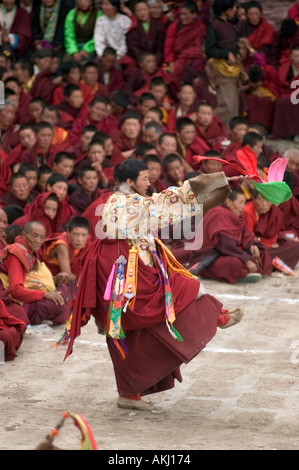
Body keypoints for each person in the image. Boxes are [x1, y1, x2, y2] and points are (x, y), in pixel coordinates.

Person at [63, 159, 243, 411]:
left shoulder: (119, 200)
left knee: (135, 331)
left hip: (124, 265)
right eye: (145, 179)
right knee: (179, 289)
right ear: (129, 182)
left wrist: (220, 183)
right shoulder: (128, 203)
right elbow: (165, 203)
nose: (149, 184)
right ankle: (217, 316)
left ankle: (130, 393)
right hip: (121, 274)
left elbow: (160, 202)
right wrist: (214, 183)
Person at [189, 189, 273, 283]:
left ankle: (247, 271)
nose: (242, 207)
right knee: (234, 263)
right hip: (210, 256)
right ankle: (243, 273)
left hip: (232, 252)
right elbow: (224, 245)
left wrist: (251, 245)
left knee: (262, 253)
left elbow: (245, 234)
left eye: (244, 203)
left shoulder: (238, 216)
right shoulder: (219, 213)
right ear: (229, 202)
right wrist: (246, 259)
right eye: (240, 203)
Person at [0, 221, 69, 326]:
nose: (38, 241)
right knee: (59, 305)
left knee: (65, 287)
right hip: (12, 301)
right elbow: (16, 291)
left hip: (28, 291)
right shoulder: (16, 253)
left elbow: (32, 277)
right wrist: (45, 295)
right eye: (34, 236)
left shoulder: (29, 253)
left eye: (42, 237)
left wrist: (55, 279)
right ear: (24, 235)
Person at [205, 0, 241, 128]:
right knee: (227, 105)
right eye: (233, 7)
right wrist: (226, 54)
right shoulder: (214, 25)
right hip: (221, 70)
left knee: (234, 107)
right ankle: (205, 120)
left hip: (232, 70)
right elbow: (209, 49)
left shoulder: (228, 24)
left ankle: (226, 135)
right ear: (224, 9)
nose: (235, 9)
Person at [243, 190, 299, 270]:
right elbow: (249, 239)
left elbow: (274, 234)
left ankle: (269, 263)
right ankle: (263, 263)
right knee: (258, 254)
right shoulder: (248, 211)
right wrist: (268, 245)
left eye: (268, 200)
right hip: (255, 248)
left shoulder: (273, 212)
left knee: (295, 246)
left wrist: (273, 243)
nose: (264, 204)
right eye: (261, 199)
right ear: (254, 199)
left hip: (268, 245)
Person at [163, 0, 206, 89]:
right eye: (181, 14)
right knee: (167, 74)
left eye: (186, 15)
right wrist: (170, 62)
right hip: (176, 58)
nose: (182, 17)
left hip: (195, 59)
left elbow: (200, 46)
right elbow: (168, 45)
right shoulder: (175, 25)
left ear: (194, 15)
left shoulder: (201, 27)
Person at [39, 216, 91, 281]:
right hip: (50, 279)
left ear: (88, 234)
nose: (80, 239)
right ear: (68, 233)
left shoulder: (88, 242)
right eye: (75, 234)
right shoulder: (62, 245)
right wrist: (84, 280)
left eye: (84, 235)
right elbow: (67, 275)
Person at [126, 0, 165, 67]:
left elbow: (160, 47)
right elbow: (133, 47)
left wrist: (154, 61)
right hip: (139, 61)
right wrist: (143, 61)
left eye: (144, 10)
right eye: (139, 11)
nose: (142, 13)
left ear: (149, 10)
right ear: (135, 13)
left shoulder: (158, 26)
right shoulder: (133, 28)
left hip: (156, 61)